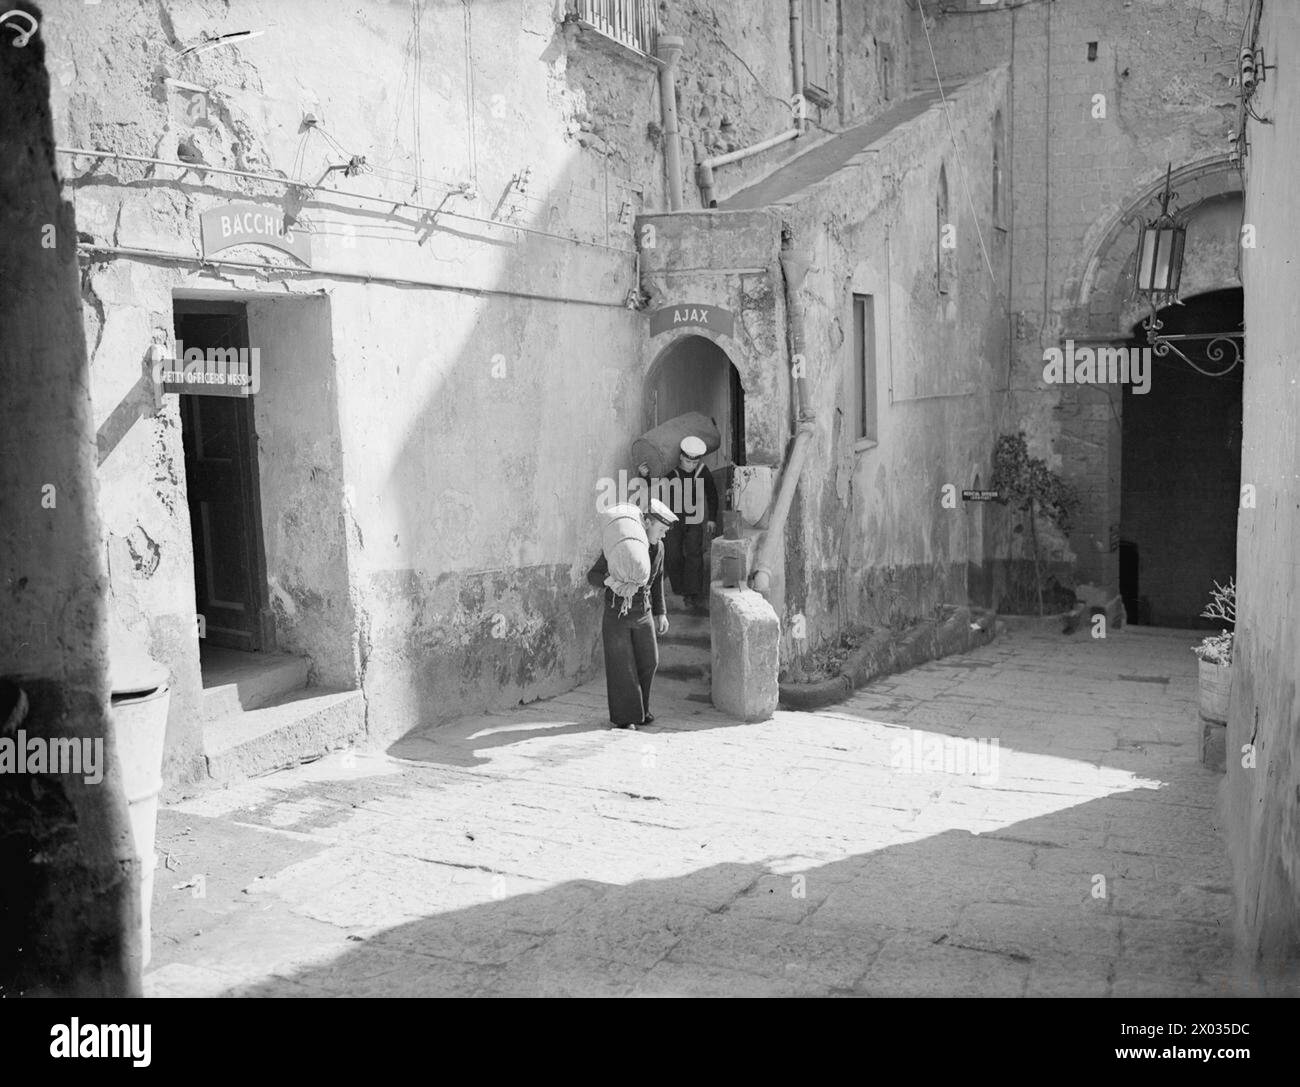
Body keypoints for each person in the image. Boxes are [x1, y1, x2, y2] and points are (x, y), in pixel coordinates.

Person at [587, 498, 676, 730]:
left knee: (650, 661)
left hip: (643, 612)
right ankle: (625, 719)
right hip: (617, 613)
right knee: (622, 667)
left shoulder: (659, 549)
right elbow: (592, 576)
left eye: (666, 531)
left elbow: (656, 583)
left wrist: (661, 613)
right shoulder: (620, 546)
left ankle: (641, 710)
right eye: (661, 529)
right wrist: (610, 580)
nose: (663, 535)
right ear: (646, 522)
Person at [661, 435, 718, 611]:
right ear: (681, 457)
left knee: (694, 554)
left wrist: (711, 519)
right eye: (687, 461)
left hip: (694, 519)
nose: (691, 465)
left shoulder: (703, 471)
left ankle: (692, 594)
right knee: (673, 554)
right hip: (673, 520)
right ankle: (679, 588)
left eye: (694, 462)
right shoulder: (671, 473)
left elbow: (712, 494)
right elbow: (656, 490)